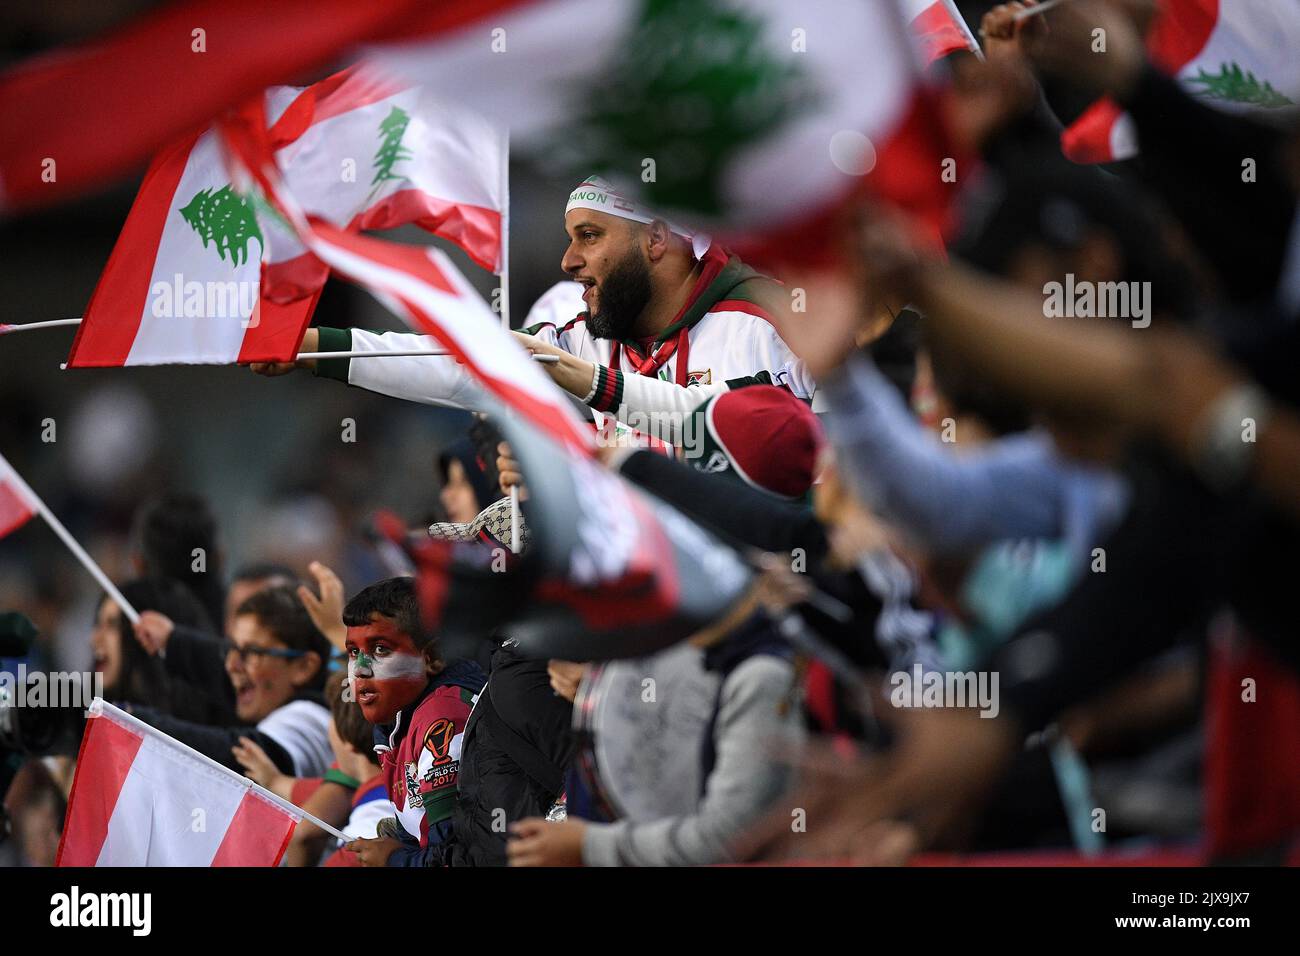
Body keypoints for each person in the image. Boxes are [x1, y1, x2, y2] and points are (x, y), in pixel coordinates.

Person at [250, 175, 802, 435]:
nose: (568, 260)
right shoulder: (580, 331)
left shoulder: (769, 325)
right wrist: (313, 347)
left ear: (656, 239)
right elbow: (465, 370)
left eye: (589, 236)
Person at [338, 577, 486, 867]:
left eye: (380, 649)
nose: (361, 670)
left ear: (432, 658)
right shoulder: (394, 719)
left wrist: (393, 859)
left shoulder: (443, 717)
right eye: (354, 652)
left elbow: (458, 859)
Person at [127, 585, 333, 777]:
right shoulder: (274, 691)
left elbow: (237, 754)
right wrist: (172, 640)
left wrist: (135, 721)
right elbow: (217, 669)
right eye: (231, 648)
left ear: (303, 667)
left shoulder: (314, 719)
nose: (231, 665)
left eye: (250, 652)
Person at [91, 577, 227, 724]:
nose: (94, 639)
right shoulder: (90, 715)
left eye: (113, 625)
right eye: (98, 624)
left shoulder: (214, 721)